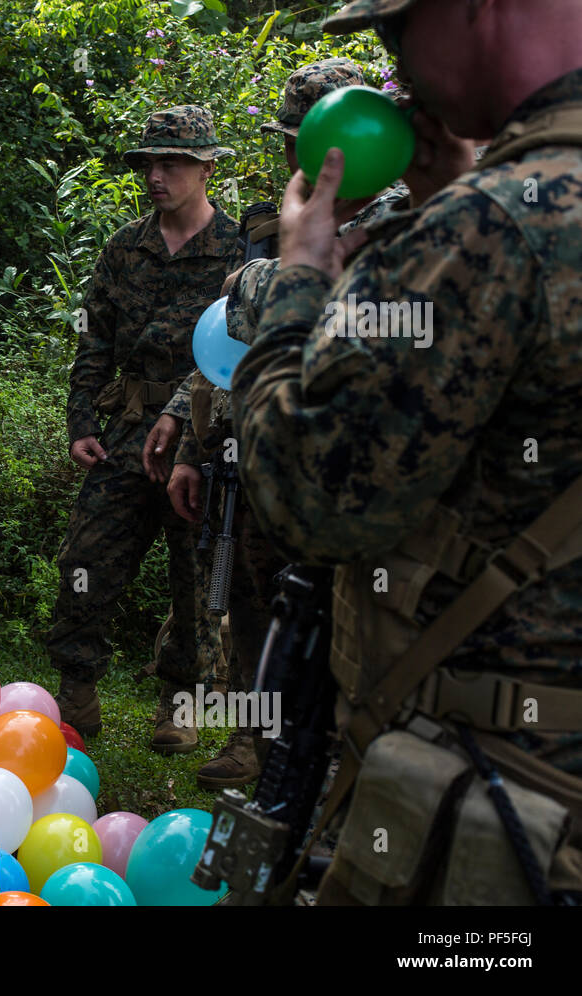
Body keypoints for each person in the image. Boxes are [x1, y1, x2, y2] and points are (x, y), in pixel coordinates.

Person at [231, 0, 582, 904]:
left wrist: (300, 278)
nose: (396, 68)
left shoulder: (488, 230)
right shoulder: (495, 219)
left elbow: (309, 495)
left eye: (394, 30)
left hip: (508, 806)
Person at [167, 59, 409, 789]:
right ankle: (256, 739)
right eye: (283, 143)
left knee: (337, 618)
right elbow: (227, 338)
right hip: (257, 435)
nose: (288, 161)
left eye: (299, 143)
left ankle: (326, 758)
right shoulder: (281, 219)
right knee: (252, 594)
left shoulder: (401, 220)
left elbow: (252, 303)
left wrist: (257, 281)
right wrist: (186, 427)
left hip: (342, 462)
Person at [47, 105, 240, 741]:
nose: (157, 175)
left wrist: (197, 423)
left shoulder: (238, 253)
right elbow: (93, 341)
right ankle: (76, 694)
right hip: (128, 430)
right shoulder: (124, 248)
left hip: (203, 436)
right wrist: (81, 420)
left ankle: (180, 703)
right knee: (87, 559)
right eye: (149, 163)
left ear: (207, 167)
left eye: (173, 163)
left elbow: (244, 350)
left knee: (195, 573)